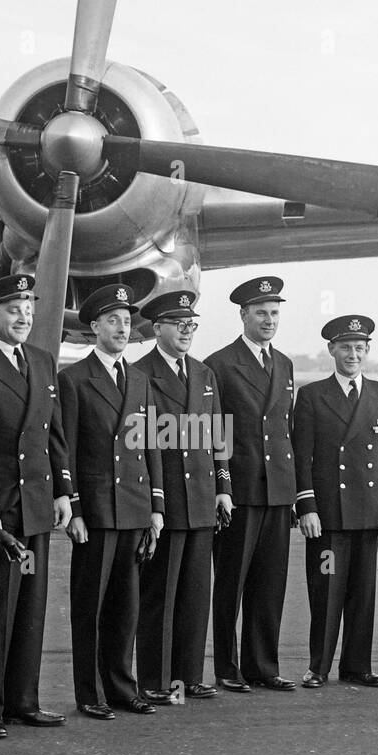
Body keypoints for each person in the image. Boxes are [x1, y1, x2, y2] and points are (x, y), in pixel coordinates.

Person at [0, 273, 73, 734]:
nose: (24, 316)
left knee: (30, 607)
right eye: (13, 309)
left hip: (37, 505)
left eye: (28, 308)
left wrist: (64, 491)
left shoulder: (42, 362)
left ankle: (24, 700)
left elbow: (53, 434)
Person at [59, 284, 165, 719]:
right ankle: (90, 693)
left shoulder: (139, 380)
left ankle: (122, 688)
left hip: (134, 507)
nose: (122, 328)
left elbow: (150, 446)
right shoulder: (74, 380)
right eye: (112, 321)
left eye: (126, 321)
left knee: (126, 607)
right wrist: (75, 510)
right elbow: (66, 449)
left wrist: (156, 507)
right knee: (91, 607)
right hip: (97, 510)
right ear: (95, 327)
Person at [292, 315, 378, 689]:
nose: (353, 354)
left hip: (369, 513)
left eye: (359, 348)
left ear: (367, 351)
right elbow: (302, 457)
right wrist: (307, 507)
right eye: (345, 348)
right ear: (332, 350)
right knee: (326, 591)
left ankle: (357, 666)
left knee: (362, 594)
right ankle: (318, 667)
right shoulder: (312, 395)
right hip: (329, 517)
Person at [133, 290, 230, 703]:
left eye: (191, 324)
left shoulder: (205, 374)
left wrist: (224, 488)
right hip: (167, 497)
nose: (187, 331)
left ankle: (189, 676)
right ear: (158, 328)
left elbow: (219, 437)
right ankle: (155, 679)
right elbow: (139, 445)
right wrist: (151, 503)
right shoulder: (141, 374)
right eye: (178, 324)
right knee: (160, 595)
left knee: (194, 594)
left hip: (202, 498)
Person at [203, 277, 297, 693]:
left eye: (274, 313)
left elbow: (285, 429)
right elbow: (212, 432)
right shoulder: (220, 364)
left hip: (277, 491)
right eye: (261, 313)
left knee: (270, 584)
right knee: (231, 584)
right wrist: (221, 486)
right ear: (243, 315)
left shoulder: (285, 364)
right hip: (239, 491)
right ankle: (227, 668)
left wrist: (293, 492)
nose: (269, 320)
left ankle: (263, 666)